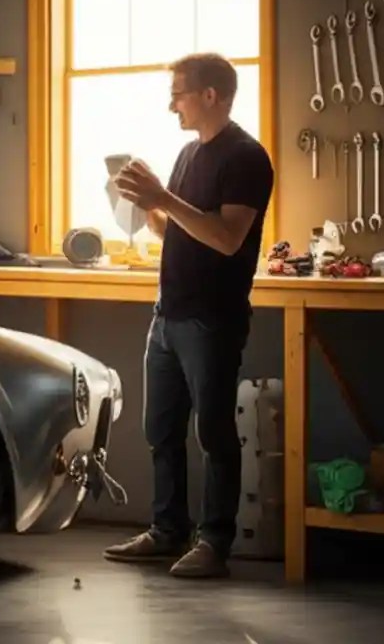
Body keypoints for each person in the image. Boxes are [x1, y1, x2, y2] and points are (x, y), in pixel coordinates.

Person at [102, 53, 274, 579]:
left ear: (210, 96)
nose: (170, 102)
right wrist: (139, 203)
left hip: (211, 319)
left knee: (215, 433)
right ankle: (166, 530)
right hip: (168, 315)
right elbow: (173, 228)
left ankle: (214, 542)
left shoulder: (247, 157)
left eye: (178, 93)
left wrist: (164, 197)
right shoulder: (185, 154)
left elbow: (226, 238)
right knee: (161, 429)